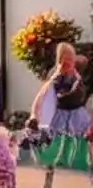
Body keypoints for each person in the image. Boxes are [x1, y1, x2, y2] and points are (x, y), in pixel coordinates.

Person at [31, 42, 89, 173]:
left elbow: (84, 63)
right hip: (61, 112)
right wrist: (57, 74)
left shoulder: (76, 72)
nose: (68, 62)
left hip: (76, 112)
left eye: (71, 58)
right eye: (65, 58)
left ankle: (75, 160)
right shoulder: (55, 74)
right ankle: (54, 160)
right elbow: (47, 91)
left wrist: (75, 70)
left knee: (77, 138)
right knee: (57, 137)